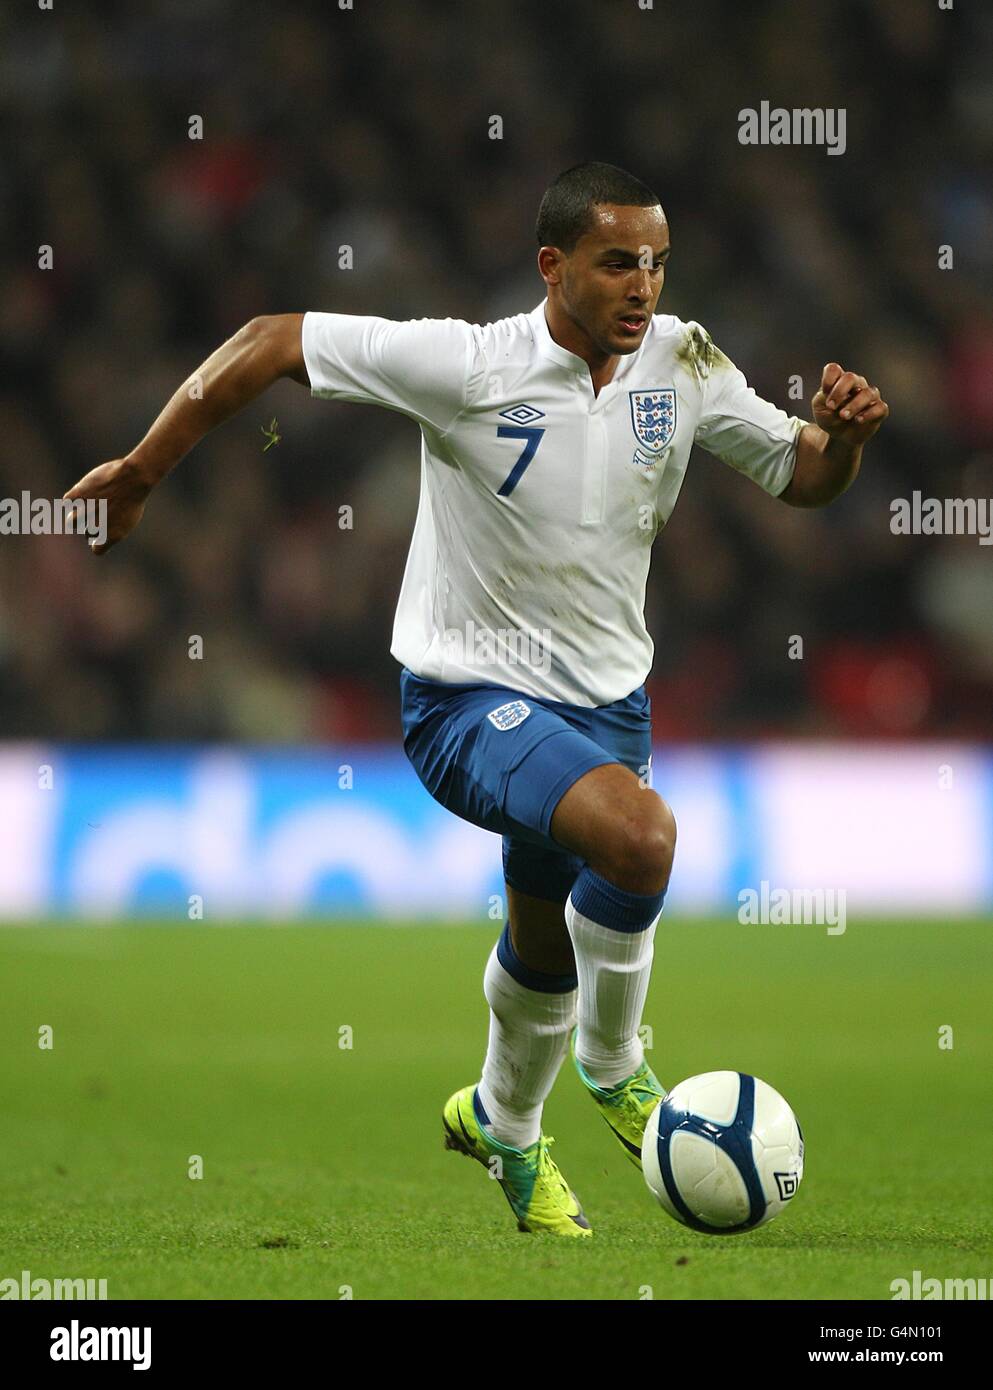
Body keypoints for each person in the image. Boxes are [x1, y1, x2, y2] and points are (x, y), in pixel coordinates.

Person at [65, 161, 889, 1237]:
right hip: (464, 700)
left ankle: (503, 1124)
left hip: (605, 706)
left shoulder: (684, 362)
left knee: (544, 940)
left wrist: (851, 441)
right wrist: (140, 467)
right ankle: (616, 1064)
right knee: (639, 840)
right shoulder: (467, 363)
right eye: (616, 262)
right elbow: (272, 338)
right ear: (553, 267)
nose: (642, 284)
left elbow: (802, 475)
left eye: (656, 262)